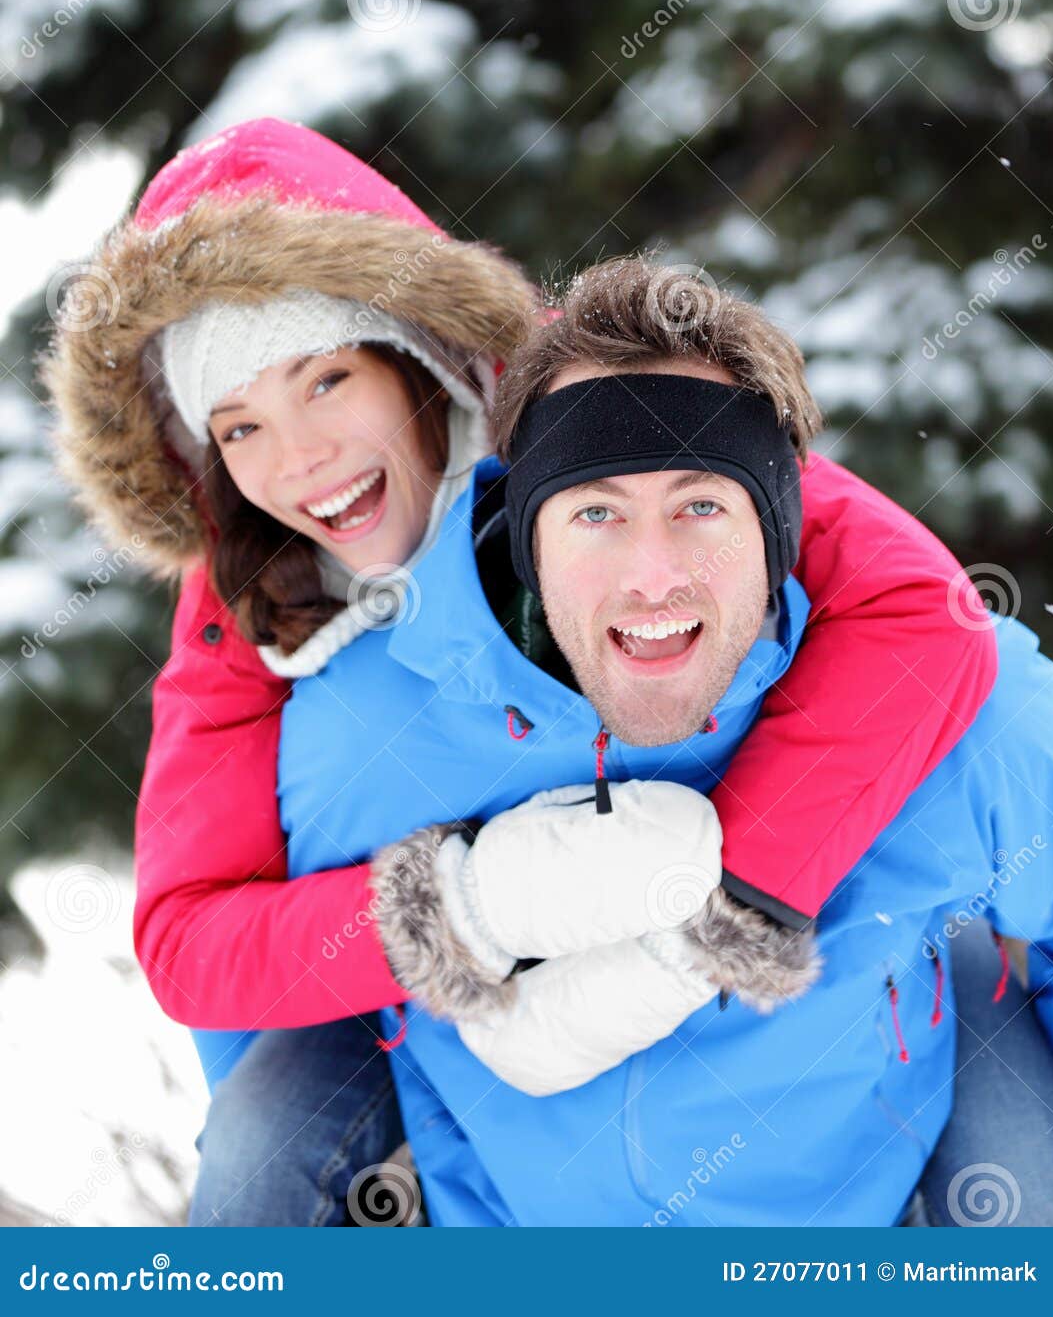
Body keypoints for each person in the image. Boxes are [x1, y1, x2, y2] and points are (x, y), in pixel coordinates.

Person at [41, 120, 998, 1225]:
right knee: (263, 1147)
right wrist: (460, 907)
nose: (298, 461)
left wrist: (732, 886)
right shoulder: (248, 596)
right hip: (433, 1022)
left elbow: (918, 607)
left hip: (759, 964)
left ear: (418, 349)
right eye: (239, 425)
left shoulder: (596, 415)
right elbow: (188, 940)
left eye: (327, 379)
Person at [265, 257, 1053, 1225]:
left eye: (701, 506)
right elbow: (294, 1028)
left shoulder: (961, 715)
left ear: (776, 533)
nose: (652, 576)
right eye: (595, 512)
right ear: (527, 538)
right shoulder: (363, 735)